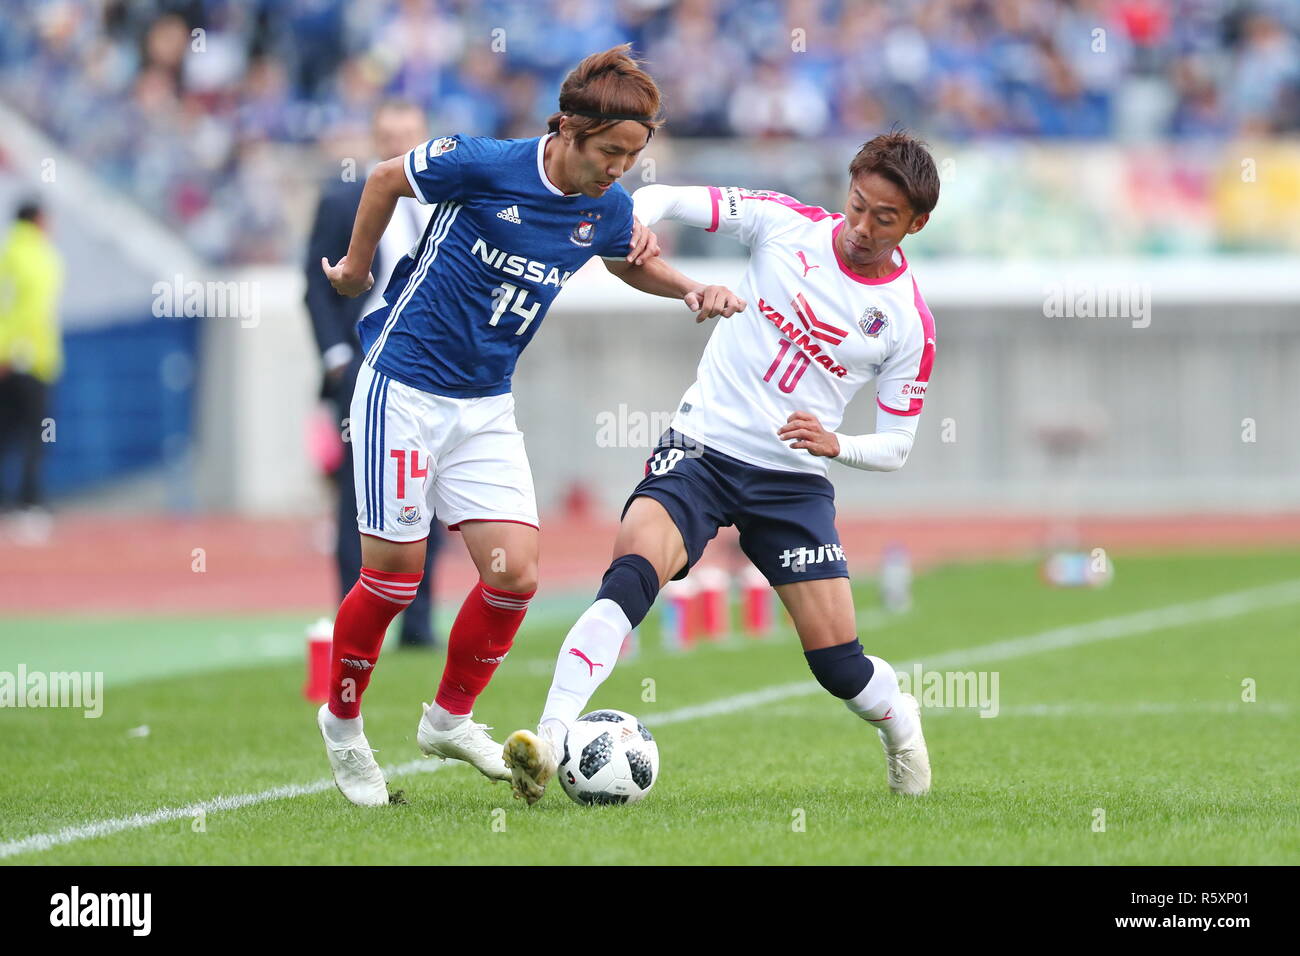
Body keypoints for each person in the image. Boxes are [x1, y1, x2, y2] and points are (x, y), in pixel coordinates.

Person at [315, 44, 745, 807]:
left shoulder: (606, 204)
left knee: (515, 578)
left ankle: (448, 720)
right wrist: (353, 270)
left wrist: (689, 288)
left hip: (484, 404)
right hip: (403, 386)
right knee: (392, 581)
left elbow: (623, 256)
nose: (620, 168)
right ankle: (343, 725)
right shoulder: (482, 162)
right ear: (571, 130)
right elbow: (385, 178)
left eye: (633, 156)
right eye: (611, 151)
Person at [503, 130, 941, 803]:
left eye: (884, 218)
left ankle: (900, 722)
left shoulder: (907, 322)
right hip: (702, 449)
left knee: (837, 665)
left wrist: (837, 444)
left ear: (917, 223)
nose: (861, 227)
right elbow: (664, 196)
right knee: (633, 569)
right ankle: (552, 735)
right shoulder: (784, 224)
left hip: (792, 482)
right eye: (856, 205)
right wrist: (638, 226)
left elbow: (899, 445)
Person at [304, 100, 443, 648]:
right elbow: (314, 284)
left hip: (433, 366)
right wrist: (336, 357)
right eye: (388, 136)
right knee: (357, 496)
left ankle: (419, 621)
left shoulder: (447, 204)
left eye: (408, 136)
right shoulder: (344, 200)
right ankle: (352, 621)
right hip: (365, 361)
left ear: (424, 138)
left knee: (425, 493)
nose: (397, 146)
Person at [0, 200, 64, 539]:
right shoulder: (40, 256)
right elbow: (33, 310)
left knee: (6, 432)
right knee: (37, 436)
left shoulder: (6, 252)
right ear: (38, 220)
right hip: (32, 358)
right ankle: (29, 505)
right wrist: (16, 350)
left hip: (8, 357)